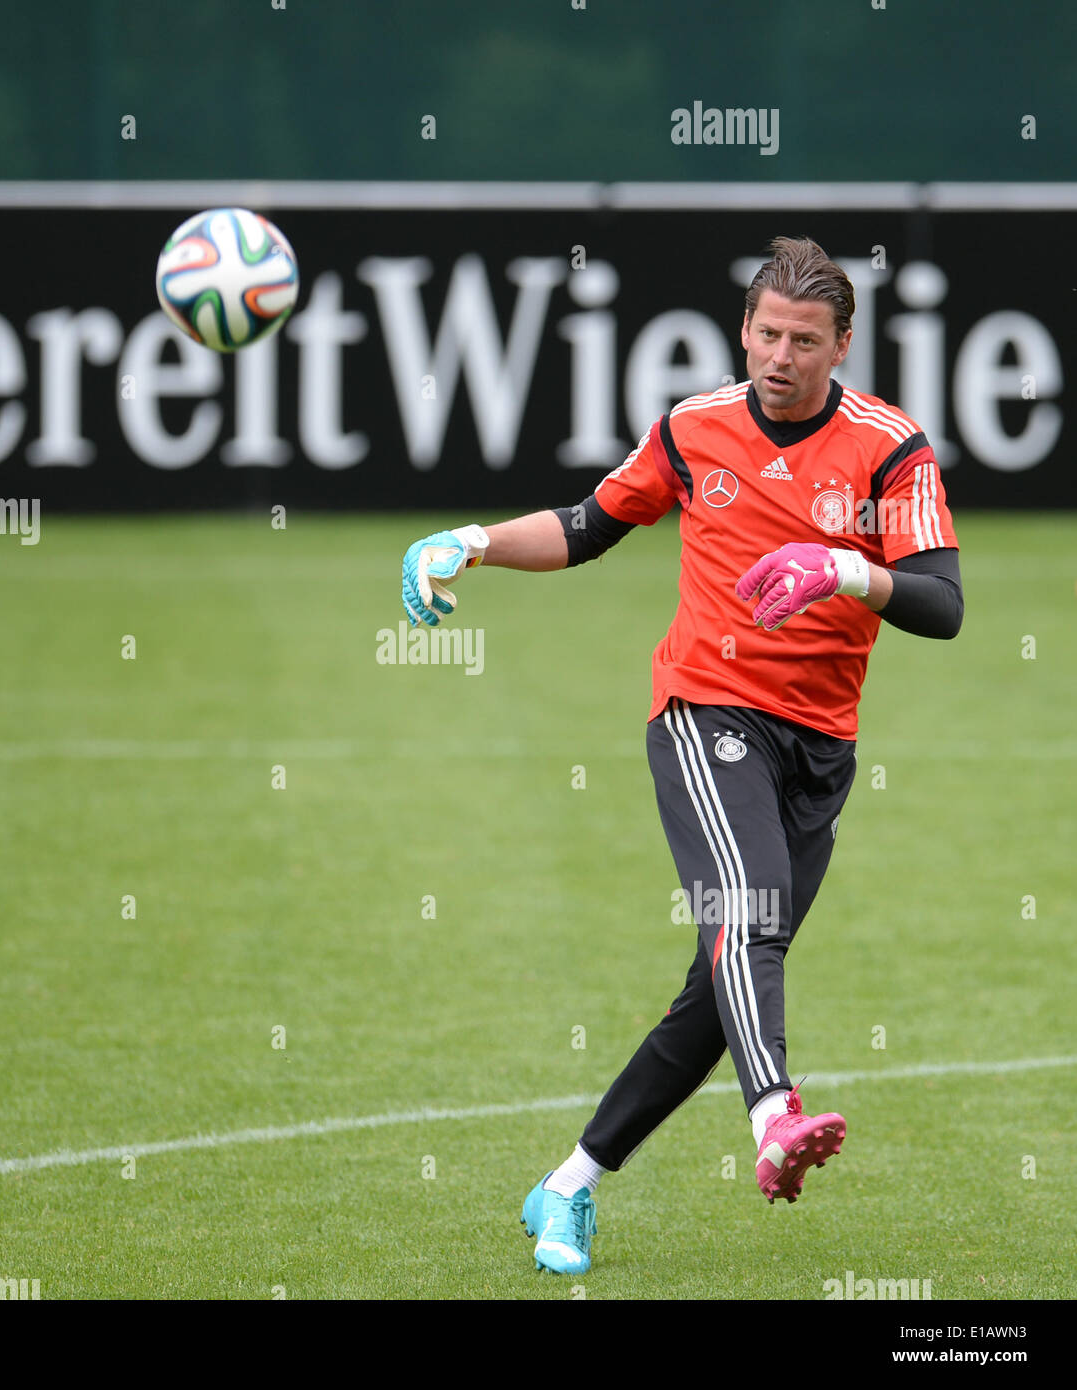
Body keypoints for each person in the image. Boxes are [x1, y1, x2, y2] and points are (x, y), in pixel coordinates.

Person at [399, 237, 963, 1276]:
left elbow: (942, 604)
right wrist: (470, 540)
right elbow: (585, 525)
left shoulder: (890, 449)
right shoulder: (693, 428)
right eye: (764, 333)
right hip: (705, 712)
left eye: (804, 339)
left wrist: (844, 569)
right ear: (742, 330)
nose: (779, 355)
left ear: (842, 345)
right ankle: (773, 1120)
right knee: (745, 920)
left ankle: (566, 1184)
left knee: (716, 994)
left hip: (820, 748)